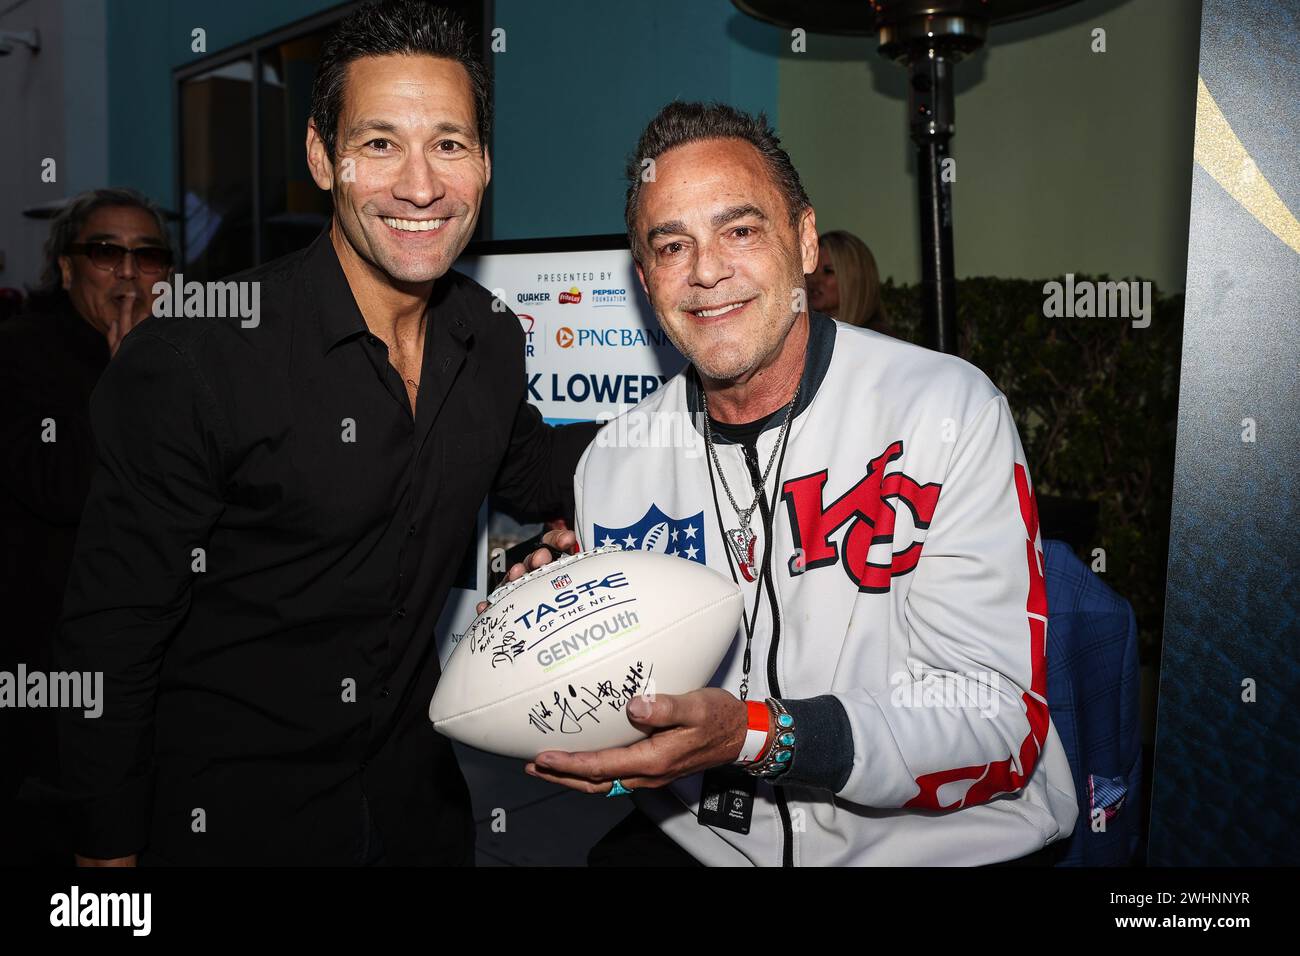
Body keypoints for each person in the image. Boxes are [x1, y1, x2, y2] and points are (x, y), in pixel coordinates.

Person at [54, 0, 596, 866]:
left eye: (449, 144)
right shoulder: (200, 359)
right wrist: (105, 857)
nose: (420, 185)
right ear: (321, 157)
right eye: (380, 143)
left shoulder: (488, 338)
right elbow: (110, 637)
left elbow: (537, 472)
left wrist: (719, 414)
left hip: (416, 806)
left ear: (485, 163)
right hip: (227, 822)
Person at [503, 102, 1078, 866]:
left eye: (740, 230)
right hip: (710, 842)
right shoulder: (614, 462)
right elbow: (638, 711)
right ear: (645, 281)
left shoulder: (945, 411)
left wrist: (761, 735)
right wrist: (555, 647)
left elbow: (994, 718)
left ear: (805, 241)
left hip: (935, 848)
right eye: (672, 246)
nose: (707, 271)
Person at [0, 189, 174, 866]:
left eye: (148, 254)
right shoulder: (19, 356)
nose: (128, 271)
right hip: (47, 679)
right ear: (66, 268)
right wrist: (127, 372)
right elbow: (60, 484)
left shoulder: (188, 356)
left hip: (157, 676)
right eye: (106, 252)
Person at [806, 229, 891, 333]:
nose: (814, 279)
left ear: (855, 279)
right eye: (812, 269)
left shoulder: (877, 340)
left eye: (828, 271)